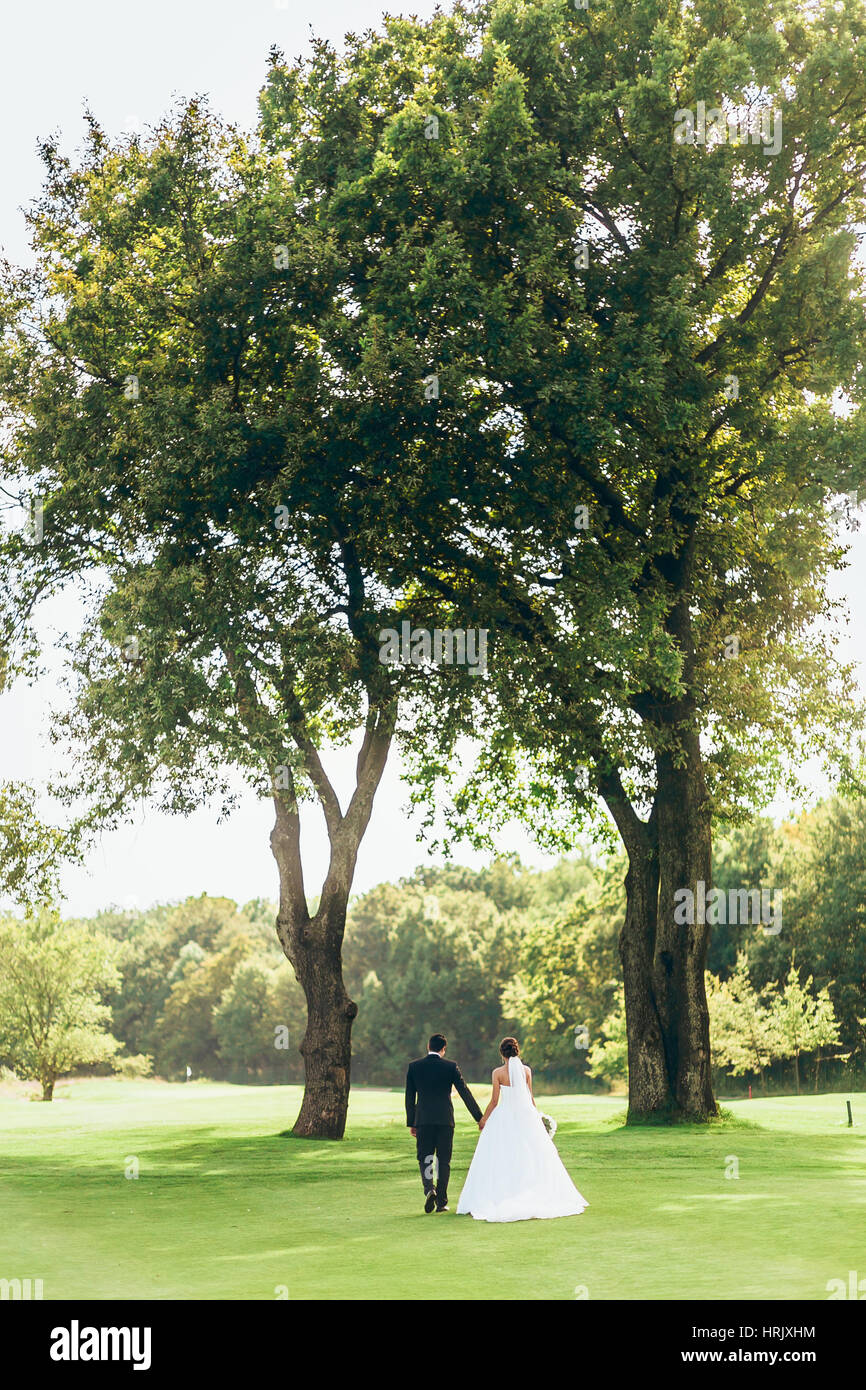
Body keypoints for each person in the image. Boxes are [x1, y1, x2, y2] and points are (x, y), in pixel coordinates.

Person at [457, 1037, 588, 1222]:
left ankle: (503, 1193)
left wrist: (483, 1119)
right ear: (517, 1051)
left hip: (505, 1115)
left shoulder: (498, 1073)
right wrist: (537, 1117)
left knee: (503, 1154)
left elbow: (495, 1101)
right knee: (530, 1154)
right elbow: (530, 1098)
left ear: (501, 1053)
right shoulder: (526, 1071)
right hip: (526, 1115)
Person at [405, 1032, 482, 1213]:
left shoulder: (414, 1067)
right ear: (443, 1049)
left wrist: (412, 1122)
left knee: (425, 1158)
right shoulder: (451, 1067)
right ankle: (441, 1201)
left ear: (428, 1046)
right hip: (445, 1120)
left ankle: (429, 1188)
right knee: (443, 1161)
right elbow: (465, 1093)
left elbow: (409, 1097)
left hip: (423, 1120)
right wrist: (479, 1117)